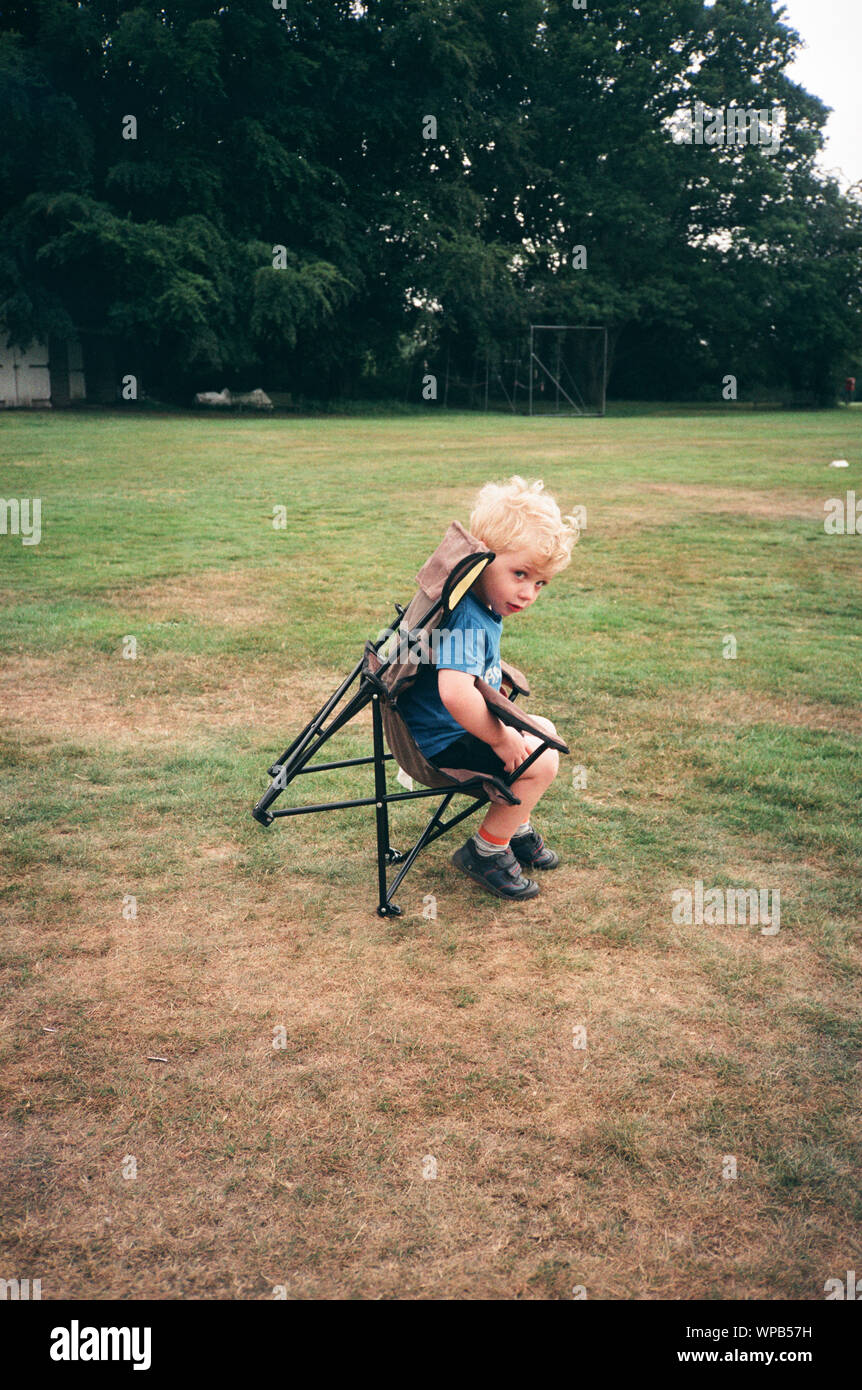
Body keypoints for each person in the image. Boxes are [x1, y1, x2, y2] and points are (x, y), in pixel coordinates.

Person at [397, 476, 579, 901]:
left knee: (542, 729)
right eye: (520, 574)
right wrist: (500, 740)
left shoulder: (473, 601)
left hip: (452, 728)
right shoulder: (469, 619)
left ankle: (515, 823)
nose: (529, 593)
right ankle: (486, 851)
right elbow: (455, 693)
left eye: (540, 583)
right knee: (542, 761)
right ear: (484, 559)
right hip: (442, 742)